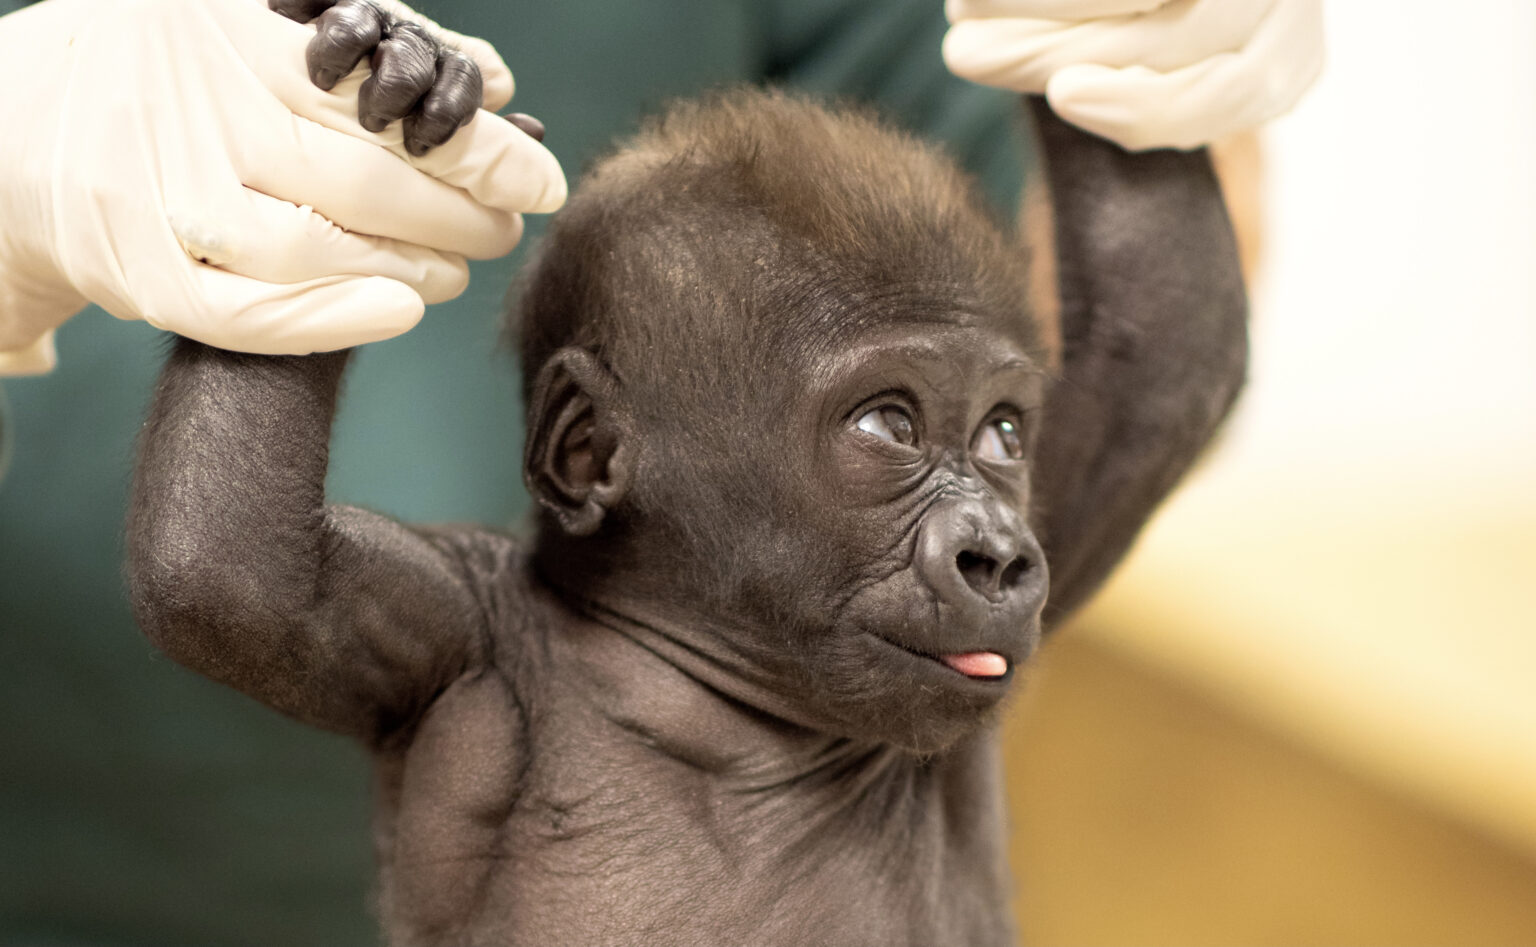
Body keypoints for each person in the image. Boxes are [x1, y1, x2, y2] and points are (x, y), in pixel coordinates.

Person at [0, 0, 1321, 941]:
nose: (1001, 541)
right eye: (883, 428)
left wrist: (1125, 88)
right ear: (594, 454)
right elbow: (222, 576)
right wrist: (287, 207)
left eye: (1000, 434)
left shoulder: (885, 684)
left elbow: (1157, 376)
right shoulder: (499, 652)